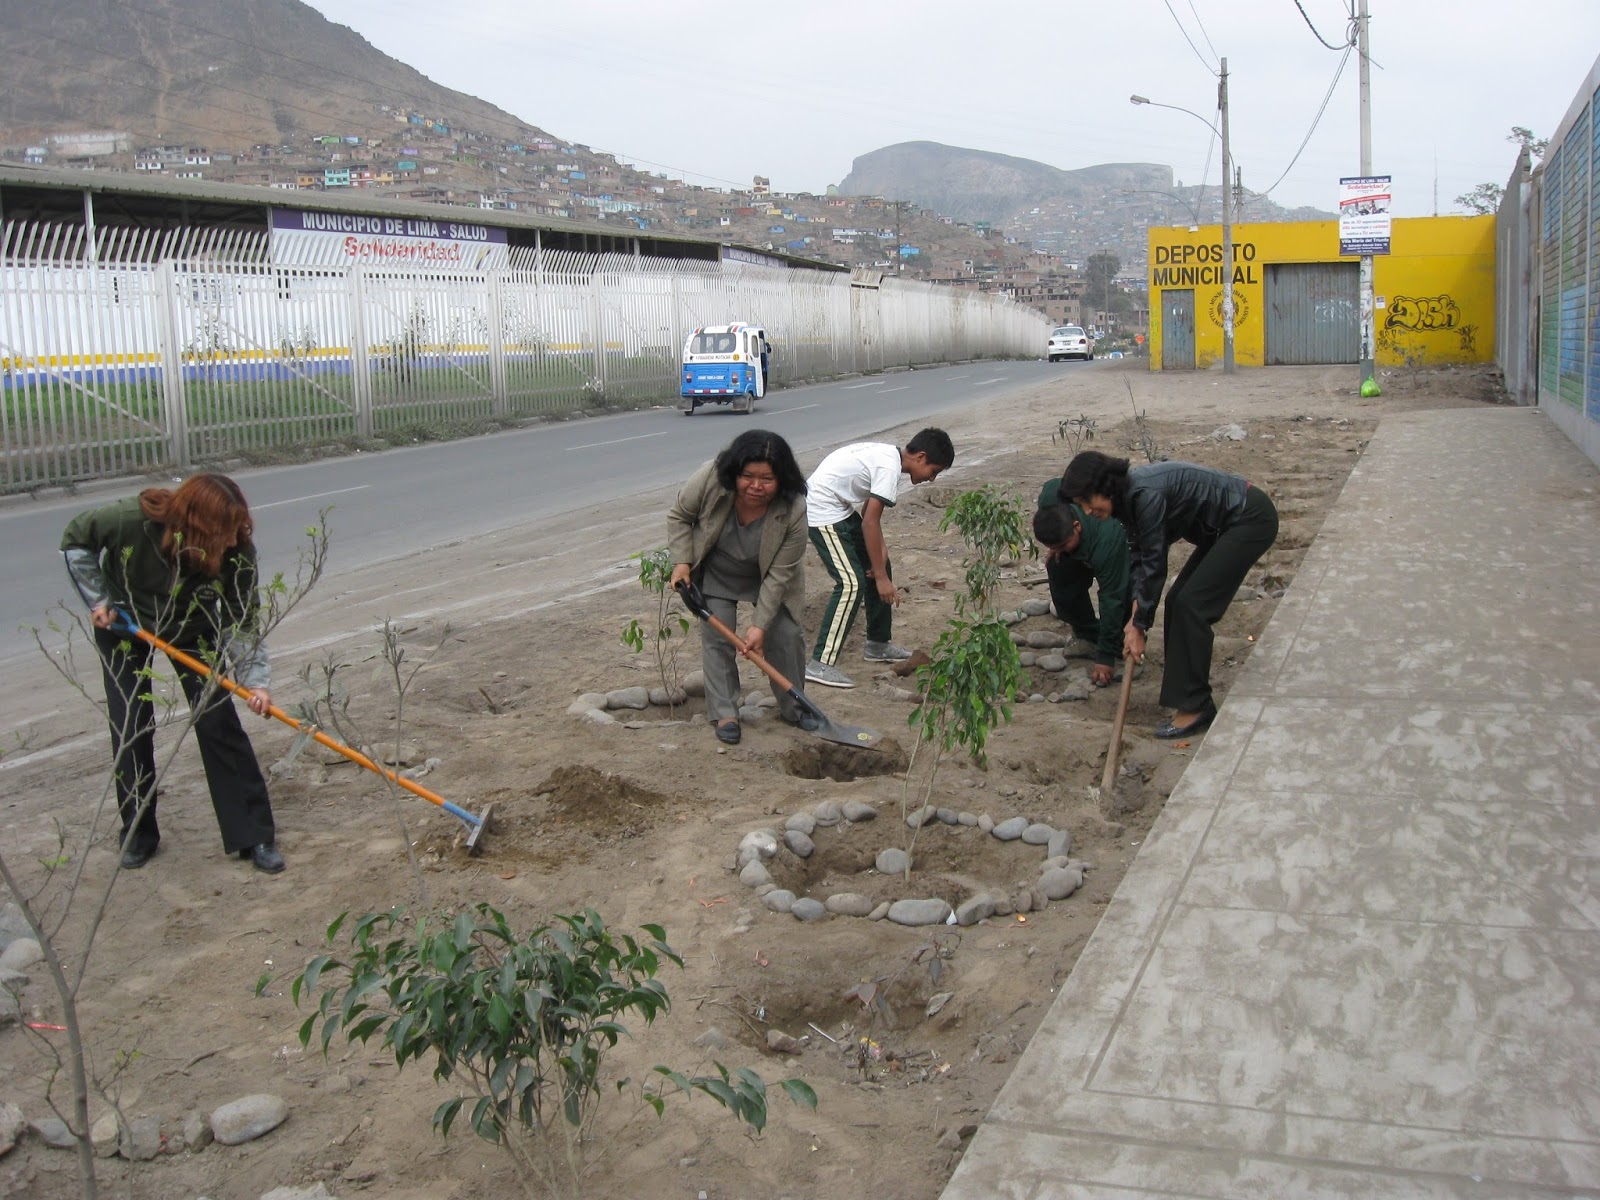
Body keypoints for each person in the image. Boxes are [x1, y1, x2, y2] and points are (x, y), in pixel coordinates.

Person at [60, 473, 285, 873]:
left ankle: (254, 834)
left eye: (237, 530)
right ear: (197, 523)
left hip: (190, 629)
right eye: (225, 531)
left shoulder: (238, 551)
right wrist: (98, 600)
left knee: (218, 721)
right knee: (131, 724)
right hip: (124, 623)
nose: (233, 540)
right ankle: (138, 833)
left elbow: (241, 620)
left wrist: (257, 682)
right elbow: (77, 541)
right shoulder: (129, 520)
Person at [1059, 450, 1278, 739]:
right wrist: (1137, 616)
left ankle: (1196, 707)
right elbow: (1139, 557)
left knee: (1192, 605)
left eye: (1087, 501)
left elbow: (1154, 561)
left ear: (1104, 485)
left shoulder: (1145, 495)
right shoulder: (1126, 502)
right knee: (1178, 601)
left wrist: (1140, 626)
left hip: (1248, 518)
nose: (1087, 512)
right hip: (1221, 529)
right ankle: (1188, 700)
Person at [668, 430, 816, 746]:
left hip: (768, 577)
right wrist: (682, 562)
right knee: (717, 640)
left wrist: (759, 626)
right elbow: (680, 516)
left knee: (786, 637)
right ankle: (725, 713)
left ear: (782, 479)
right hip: (718, 573)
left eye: (767, 479)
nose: (756, 486)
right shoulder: (711, 477)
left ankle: (795, 707)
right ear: (735, 472)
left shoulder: (794, 508)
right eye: (747, 476)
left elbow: (778, 575)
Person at [803, 428, 954, 689]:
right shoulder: (888, 469)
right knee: (851, 584)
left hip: (840, 506)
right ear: (921, 457)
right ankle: (820, 664)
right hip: (822, 510)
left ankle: (877, 644)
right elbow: (870, 521)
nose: (932, 479)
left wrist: (880, 558)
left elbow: (870, 515)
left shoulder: (890, 458)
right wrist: (881, 578)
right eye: (934, 471)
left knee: (880, 562)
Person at [1031, 479, 1131, 688]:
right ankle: (1088, 635)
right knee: (1058, 569)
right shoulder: (1051, 499)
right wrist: (1057, 547)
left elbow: (1111, 598)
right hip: (1084, 542)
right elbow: (1052, 485)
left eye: (1062, 544)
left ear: (1076, 527)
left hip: (1129, 546)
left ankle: (1121, 645)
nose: (1059, 549)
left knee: (1123, 597)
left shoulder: (1107, 539)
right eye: (1053, 545)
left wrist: (1105, 658)